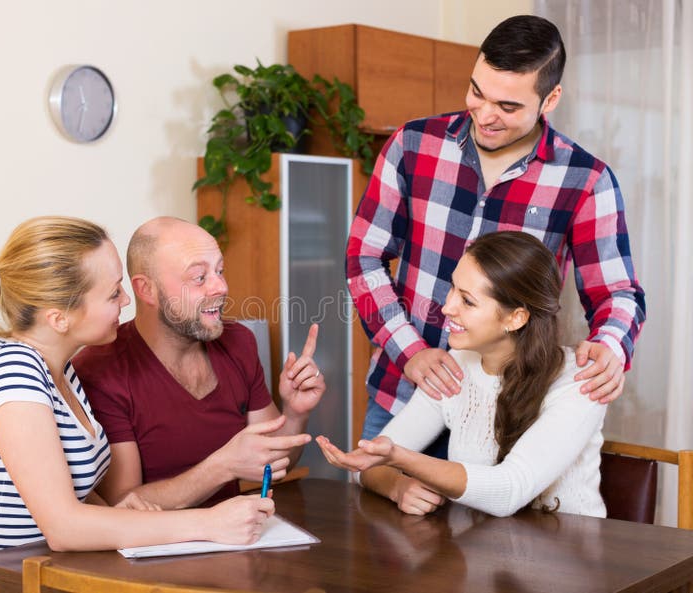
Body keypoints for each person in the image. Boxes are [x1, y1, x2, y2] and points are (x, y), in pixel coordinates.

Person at [346, 15, 645, 457]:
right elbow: (363, 258)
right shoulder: (412, 144)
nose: (484, 116)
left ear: (550, 99)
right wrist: (411, 353)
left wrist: (611, 347)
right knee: (379, 520)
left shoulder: (586, 180)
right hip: (402, 398)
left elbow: (617, 292)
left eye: (507, 107)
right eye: (477, 92)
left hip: (508, 417)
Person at [0, 217, 274, 593]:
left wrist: (114, 516)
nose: (127, 301)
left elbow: (71, 494)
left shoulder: (59, 373)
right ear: (59, 318)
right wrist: (209, 524)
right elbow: (63, 528)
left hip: (56, 577)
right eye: (113, 294)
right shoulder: (14, 376)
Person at [320, 231, 606, 518]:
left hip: (568, 553)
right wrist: (397, 485)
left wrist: (399, 457)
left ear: (515, 318)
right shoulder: (459, 363)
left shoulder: (580, 381)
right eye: (452, 288)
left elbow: (508, 491)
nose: (447, 308)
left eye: (467, 301)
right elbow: (368, 464)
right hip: (478, 553)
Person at [73, 217, 325, 509]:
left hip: (234, 538)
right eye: (199, 278)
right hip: (155, 548)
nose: (220, 287)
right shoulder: (100, 370)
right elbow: (123, 503)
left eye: (220, 271)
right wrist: (222, 467)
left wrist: (295, 413)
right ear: (146, 290)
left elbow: (275, 466)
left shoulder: (239, 342)